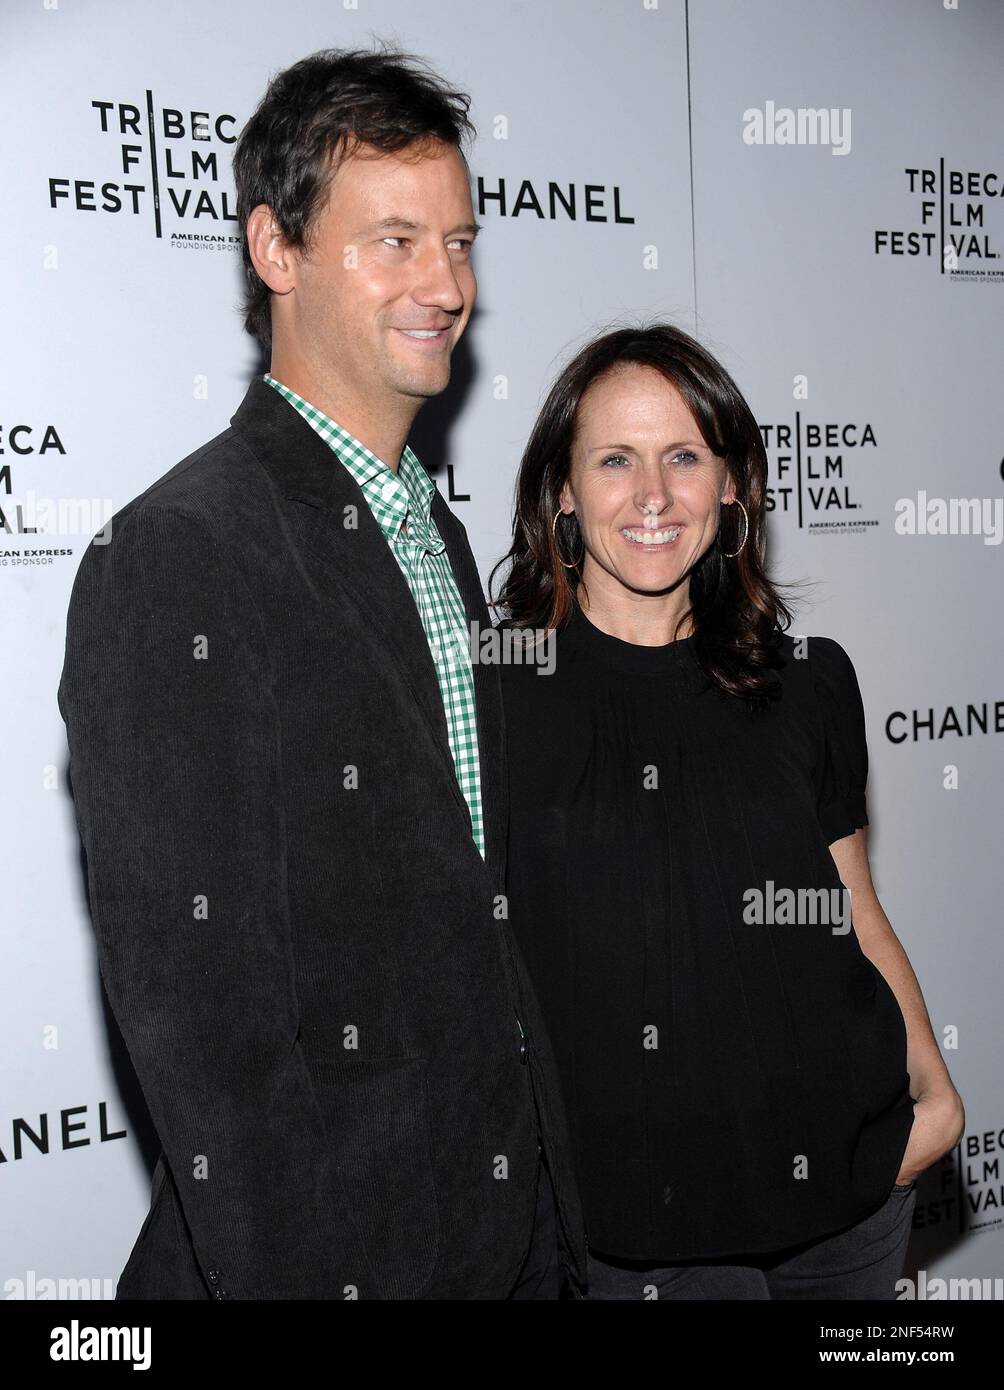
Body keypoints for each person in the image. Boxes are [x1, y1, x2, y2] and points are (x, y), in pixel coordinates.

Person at [57, 43, 585, 1301]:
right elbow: (208, 1029)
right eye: (392, 240)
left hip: (505, 1229)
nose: (443, 283)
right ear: (275, 250)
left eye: (457, 242)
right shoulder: (177, 554)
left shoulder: (434, 532)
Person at [492, 322, 965, 1299]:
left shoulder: (805, 681)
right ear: (564, 492)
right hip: (637, 1237)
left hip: (850, 1207)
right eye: (615, 460)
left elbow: (850, 906)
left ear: (731, 485)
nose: (653, 495)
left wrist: (932, 1096)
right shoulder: (498, 692)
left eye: (683, 457)